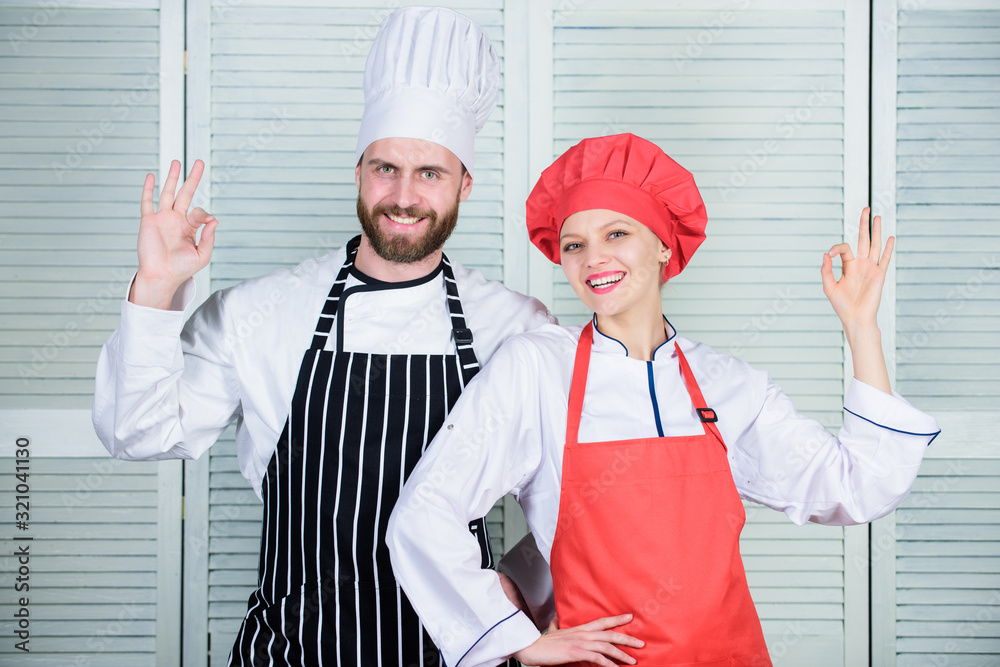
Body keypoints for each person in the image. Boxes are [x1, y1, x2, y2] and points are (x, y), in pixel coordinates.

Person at [93, 7, 559, 666]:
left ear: (465, 184)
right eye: (385, 168)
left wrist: (532, 596)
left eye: (430, 173)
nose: (404, 195)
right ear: (359, 169)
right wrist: (156, 286)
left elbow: (534, 504)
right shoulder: (261, 313)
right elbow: (134, 431)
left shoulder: (515, 326)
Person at [386, 133, 942, 667]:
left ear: (662, 243)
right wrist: (513, 638)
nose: (592, 259)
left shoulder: (725, 382)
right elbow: (424, 512)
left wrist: (861, 326)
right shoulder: (536, 369)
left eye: (616, 234)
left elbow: (855, 487)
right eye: (574, 245)